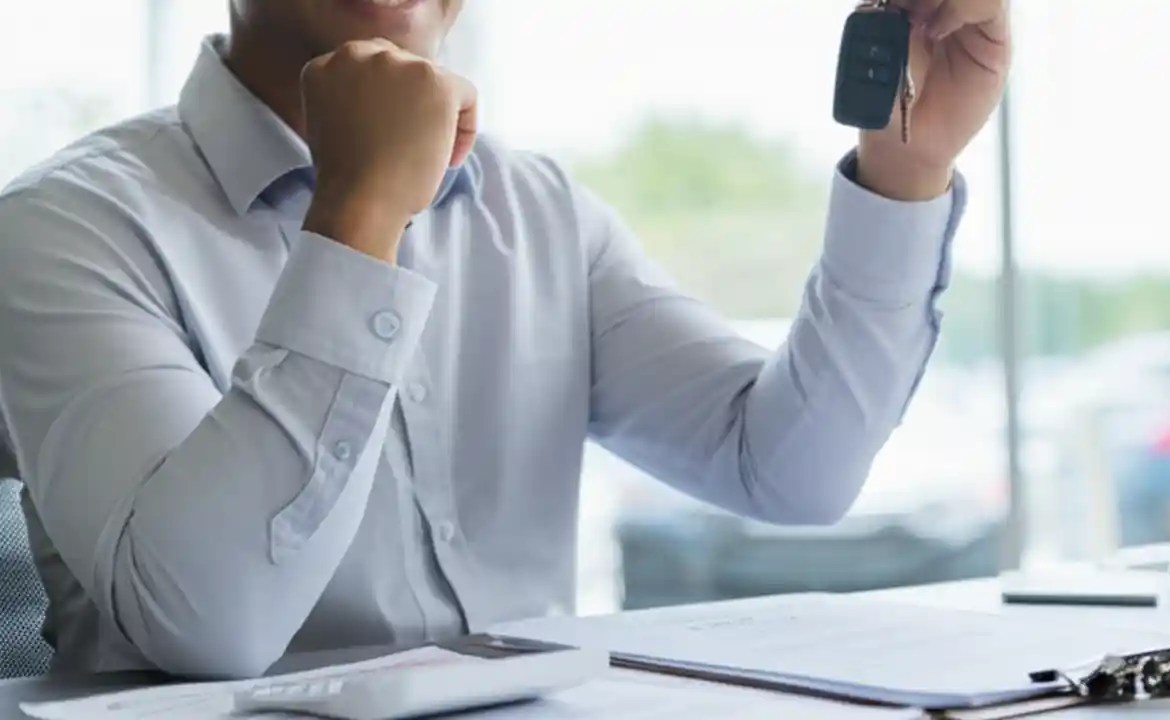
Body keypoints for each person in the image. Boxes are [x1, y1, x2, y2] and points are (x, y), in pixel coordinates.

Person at [0, 0, 1010, 679]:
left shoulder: (540, 210)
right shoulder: (62, 225)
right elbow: (208, 627)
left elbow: (791, 471)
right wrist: (358, 216)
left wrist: (903, 169)